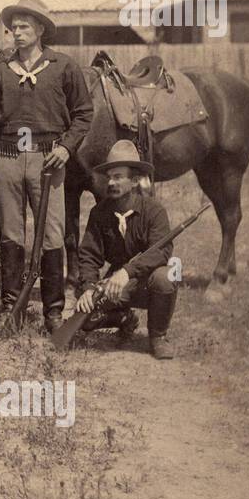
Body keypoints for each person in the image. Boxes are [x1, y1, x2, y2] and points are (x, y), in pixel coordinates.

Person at [0, 0, 93, 331]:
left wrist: (67, 149)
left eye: (25, 26)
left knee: (53, 235)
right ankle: (10, 308)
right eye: (14, 28)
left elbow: (84, 114)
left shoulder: (64, 67)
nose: (18, 32)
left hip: (49, 160)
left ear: (41, 29)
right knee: (11, 234)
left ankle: (53, 312)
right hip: (8, 159)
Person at [73, 140, 179, 359]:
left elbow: (161, 253)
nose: (111, 182)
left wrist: (126, 272)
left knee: (165, 277)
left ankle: (158, 336)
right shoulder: (99, 213)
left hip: (146, 283)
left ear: (135, 180)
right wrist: (89, 288)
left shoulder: (155, 211)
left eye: (118, 177)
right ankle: (123, 318)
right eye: (109, 177)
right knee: (83, 315)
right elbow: (89, 256)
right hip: (115, 285)